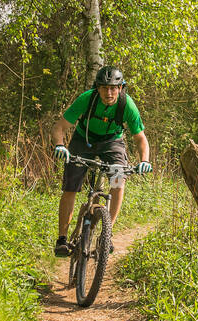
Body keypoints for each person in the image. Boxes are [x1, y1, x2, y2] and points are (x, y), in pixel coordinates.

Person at [51, 65, 151, 257]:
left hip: (112, 142)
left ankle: (107, 235)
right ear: (97, 87)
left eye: (114, 88)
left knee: (118, 179)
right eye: (104, 87)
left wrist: (144, 160)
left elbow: (140, 139)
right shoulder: (86, 99)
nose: (109, 92)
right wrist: (60, 145)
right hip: (84, 139)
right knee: (71, 186)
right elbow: (59, 128)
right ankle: (62, 239)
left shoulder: (127, 104)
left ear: (121, 88)